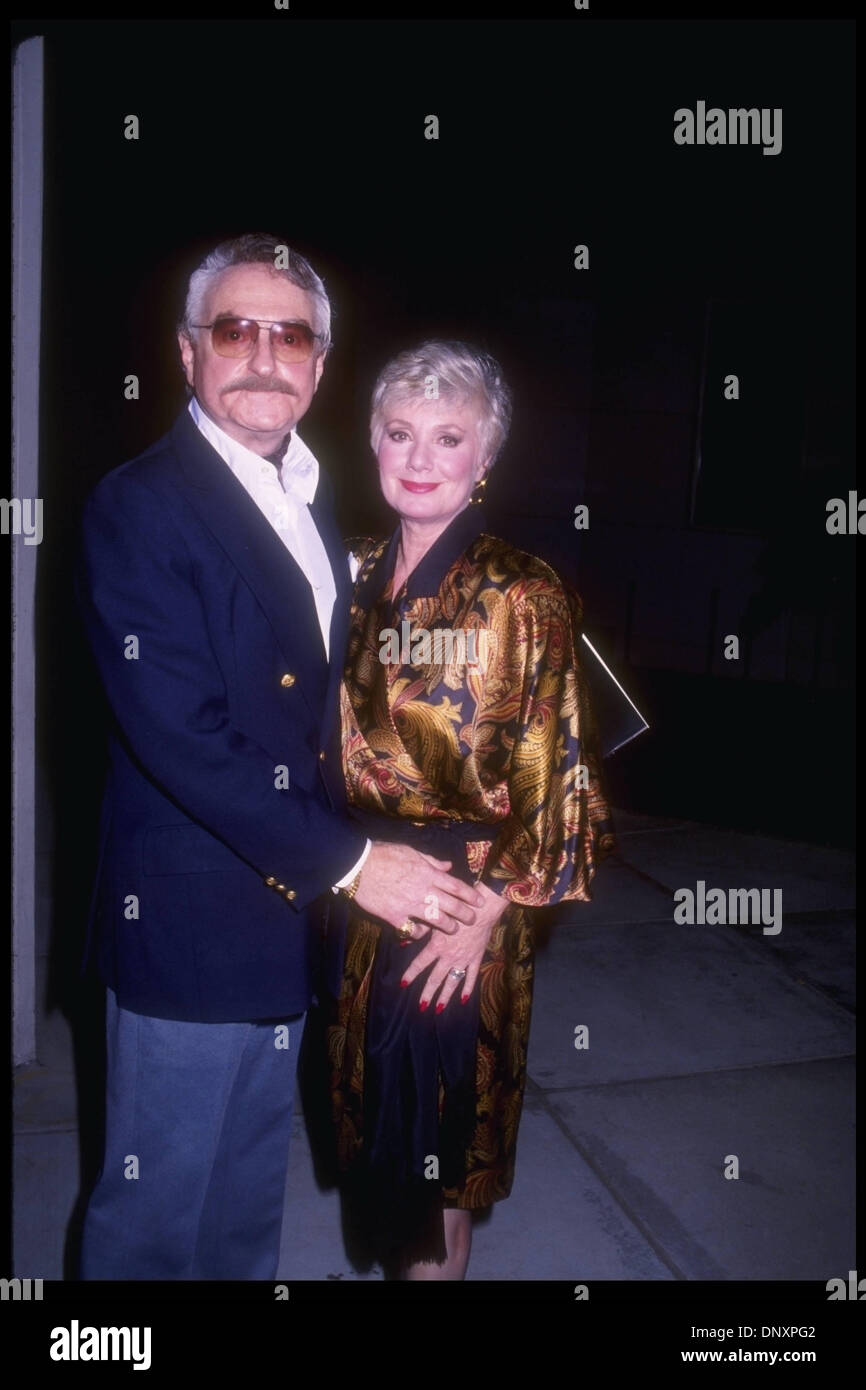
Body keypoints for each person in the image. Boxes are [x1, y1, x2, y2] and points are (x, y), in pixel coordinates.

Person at [74, 237, 482, 1280]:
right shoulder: (139, 501)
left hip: (293, 925)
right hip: (188, 920)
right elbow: (178, 730)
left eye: (288, 333)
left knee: (244, 1205)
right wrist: (353, 863)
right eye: (234, 329)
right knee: (155, 1216)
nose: (263, 354)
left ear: (319, 362)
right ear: (186, 353)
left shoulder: (310, 497)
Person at [329, 340, 616, 1279]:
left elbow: (557, 760)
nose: (418, 458)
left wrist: (492, 909)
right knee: (385, 1165)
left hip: (462, 908)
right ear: (372, 441)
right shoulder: (354, 569)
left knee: (436, 1176)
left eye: (447, 438)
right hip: (363, 897)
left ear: (484, 456)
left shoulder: (523, 591)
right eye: (400, 433)